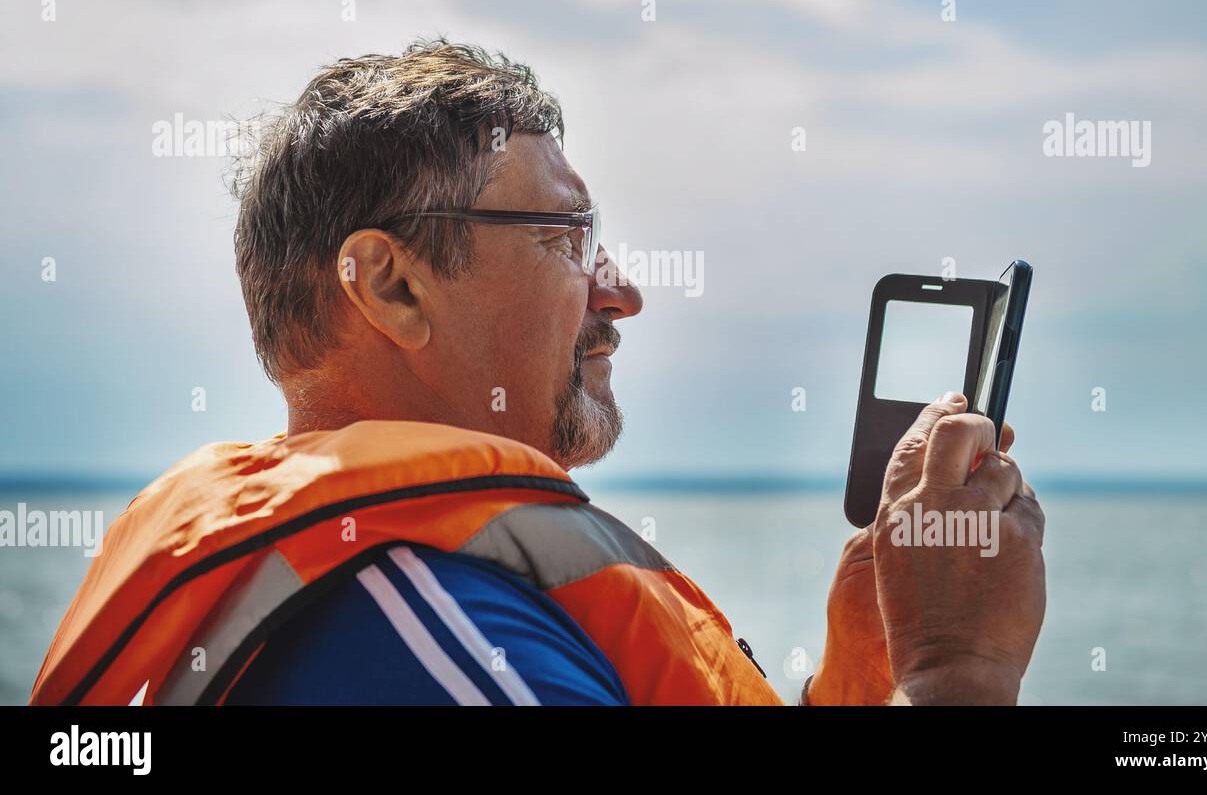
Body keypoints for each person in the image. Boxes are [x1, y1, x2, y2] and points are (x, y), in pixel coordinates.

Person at [31, 40, 1045, 706]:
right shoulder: (436, 638)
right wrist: (956, 666)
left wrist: (870, 664)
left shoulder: (352, 586)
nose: (620, 292)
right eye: (566, 239)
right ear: (391, 286)